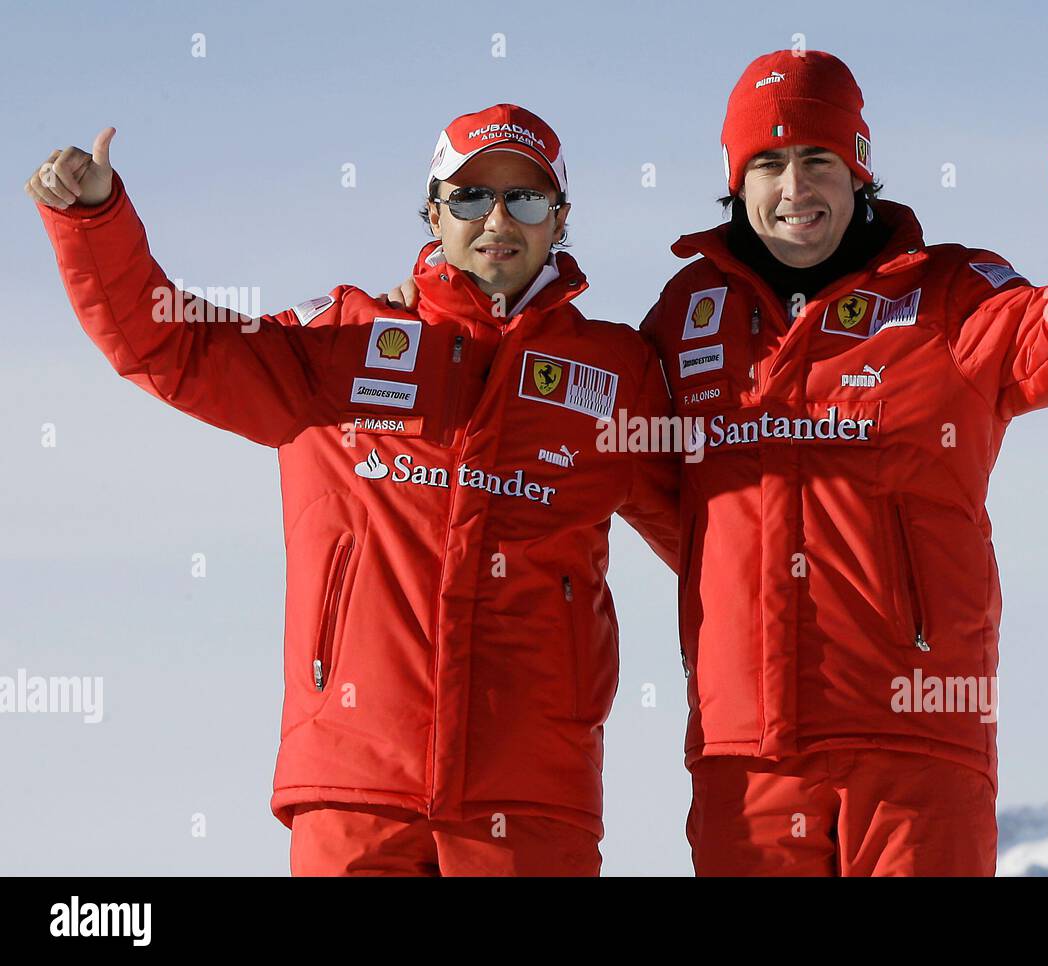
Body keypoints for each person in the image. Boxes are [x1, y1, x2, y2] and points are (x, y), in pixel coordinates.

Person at [26, 103, 679, 876]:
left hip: (533, 793)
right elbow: (173, 348)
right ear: (433, 213)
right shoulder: (345, 341)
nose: (497, 219)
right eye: (469, 197)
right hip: (355, 782)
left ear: (559, 218)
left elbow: (717, 536)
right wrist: (95, 221)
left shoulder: (614, 372)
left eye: (526, 198)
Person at [636, 50, 1048, 875]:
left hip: (917, 745)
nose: (794, 188)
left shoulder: (949, 294)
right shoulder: (685, 317)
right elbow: (644, 478)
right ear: (736, 182)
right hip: (746, 756)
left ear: (860, 169)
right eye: (767, 164)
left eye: (818, 160)